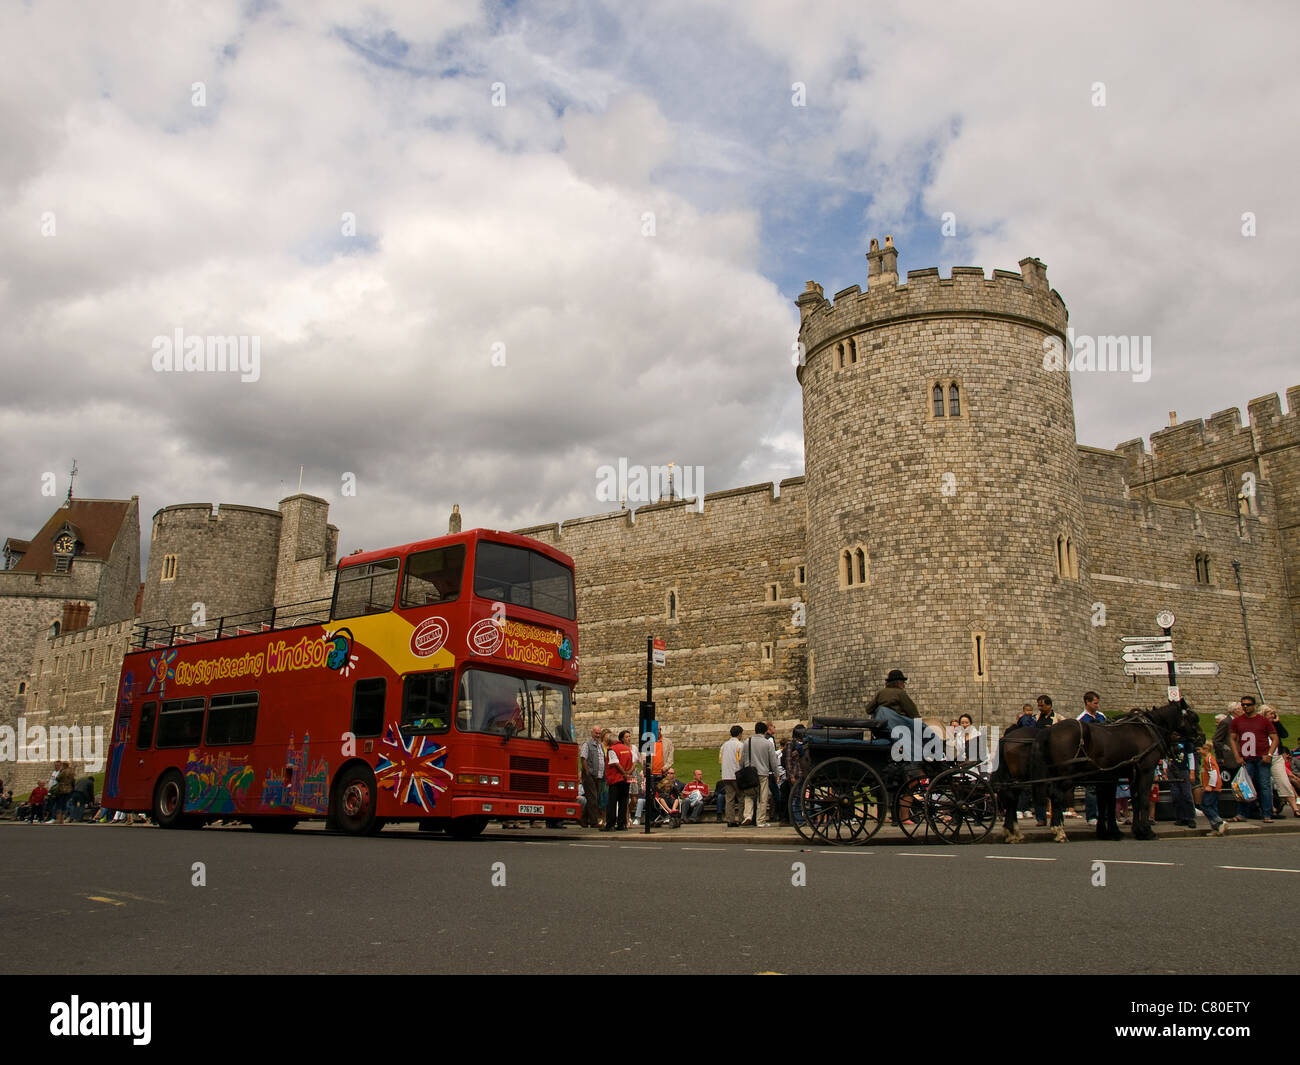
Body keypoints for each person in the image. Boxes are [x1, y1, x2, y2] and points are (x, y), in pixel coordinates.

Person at [1230, 695, 1275, 822]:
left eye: (1248, 704)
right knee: (1244, 786)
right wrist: (1237, 756)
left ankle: (1267, 814)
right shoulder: (1237, 721)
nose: (1245, 707)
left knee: (1264, 786)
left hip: (1262, 757)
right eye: (1243, 704)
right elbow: (1232, 739)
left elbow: (1275, 738)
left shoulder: (1263, 721)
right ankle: (1242, 813)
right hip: (1246, 758)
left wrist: (1269, 754)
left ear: (1254, 706)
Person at [1261, 707, 1300, 817]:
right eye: (1270, 714)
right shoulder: (1260, 725)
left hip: (1276, 756)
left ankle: (1295, 808)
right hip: (1264, 756)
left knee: (1284, 782)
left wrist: (1277, 722)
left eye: (1274, 714)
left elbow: (1284, 735)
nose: (1272, 716)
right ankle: (1271, 808)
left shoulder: (1274, 725)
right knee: (1266, 784)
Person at [739, 721, 779, 827]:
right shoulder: (768, 743)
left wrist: (741, 769)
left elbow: (742, 758)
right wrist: (777, 774)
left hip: (749, 772)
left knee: (749, 795)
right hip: (762, 773)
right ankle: (760, 820)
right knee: (762, 798)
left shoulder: (748, 741)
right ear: (765, 730)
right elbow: (773, 761)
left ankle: (747, 815)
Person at [1077, 691, 1107, 824]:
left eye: (1098, 703)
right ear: (1087, 703)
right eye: (1095, 703)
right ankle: (1092, 816)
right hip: (1091, 757)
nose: (1097, 705)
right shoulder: (1081, 719)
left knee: (1106, 787)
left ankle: (1106, 815)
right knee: (1091, 788)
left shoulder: (1101, 716)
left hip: (1105, 757)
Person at [1194, 742, 1228, 835]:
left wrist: (1210, 785)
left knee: (1205, 806)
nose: (1198, 751)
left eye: (1199, 749)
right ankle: (1216, 829)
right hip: (1213, 787)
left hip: (1212, 788)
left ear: (1206, 750)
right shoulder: (1209, 758)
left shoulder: (1208, 759)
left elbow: (1213, 773)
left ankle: (1220, 822)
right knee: (1213, 806)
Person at [602, 730, 634, 831]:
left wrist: (624, 774)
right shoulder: (627, 749)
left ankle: (610, 824)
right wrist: (628, 773)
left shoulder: (612, 749)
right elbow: (633, 763)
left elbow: (615, 763)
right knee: (623, 802)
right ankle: (622, 824)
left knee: (612, 802)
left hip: (615, 779)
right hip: (625, 780)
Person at [780, 725, 807, 825]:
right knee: (796, 798)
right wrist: (791, 776)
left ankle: (798, 818)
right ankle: (798, 820)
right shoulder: (790, 745)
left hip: (802, 774)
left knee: (800, 797)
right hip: (795, 774)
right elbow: (788, 762)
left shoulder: (802, 744)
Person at [578, 727, 605, 828]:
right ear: (592, 733)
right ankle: (593, 822)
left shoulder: (599, 745)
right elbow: (583, 758)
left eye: (599, 733)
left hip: (598, 776)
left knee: (593, 798)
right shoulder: (587, 744)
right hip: (590, 775)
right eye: (596, 733)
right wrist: (587, 772)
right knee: (593, 798)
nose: (598, 735)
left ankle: (582, 819)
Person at [720, 725, 744, 827]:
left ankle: (730, 819)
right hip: (736, 774)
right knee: (741, 797)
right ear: (739, 734)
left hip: (726, 775)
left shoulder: (724, 745)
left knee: (729, 798)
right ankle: (741, 818)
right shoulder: (740, 745)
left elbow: (720, 759)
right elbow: (742, 760)